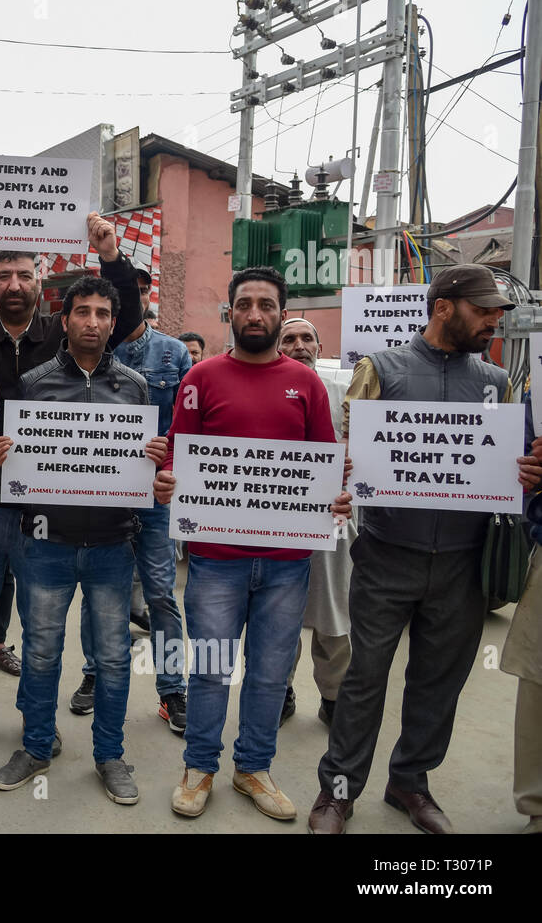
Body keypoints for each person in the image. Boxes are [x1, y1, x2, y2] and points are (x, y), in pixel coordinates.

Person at [310, 264, 541, 834]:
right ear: (444, 307)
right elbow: (346, 451)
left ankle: (410, 783)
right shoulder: (380, 368)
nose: (494, 320)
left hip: (465, 564)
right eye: (484, 309)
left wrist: (528, 472)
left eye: (498, 312)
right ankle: (338, 791)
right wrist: (339, 484)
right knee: (363, 679)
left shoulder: (496, 382)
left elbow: (503, 464)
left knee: (439, 682)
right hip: (386, 555)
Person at [0, 198, 143, 748]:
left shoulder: (63, 332)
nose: (14, 284)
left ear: (41, 282)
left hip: (51, 512)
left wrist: (110, 255)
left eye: (25, 274)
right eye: (4, 276)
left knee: (40, 626)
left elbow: (128, 319)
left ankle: (34, 721)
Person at [156, 265, 351, 822]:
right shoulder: (202, 378)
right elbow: (177, 451)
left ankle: (253, 769)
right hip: (217, 561)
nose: (256, 314)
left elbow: (326, 464)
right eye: (245, 304)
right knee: (212, 669)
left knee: (269, 673)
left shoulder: (307, 384)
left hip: (288, 563)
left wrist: (338, 495)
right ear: (232, 314)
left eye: (266, 304)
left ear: (279, 309)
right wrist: (167, 476)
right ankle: (199, 768)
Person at [0, 276, 168, 803]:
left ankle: (110, 756)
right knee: (42, 653)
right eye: (82, 311)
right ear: (64, 319)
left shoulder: (136, 386)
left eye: (102, 314)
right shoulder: (35, 382)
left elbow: (143, 471)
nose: (92, 321)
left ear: (114, 323)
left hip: (113, 545)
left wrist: (153, 463)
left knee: (113, 659)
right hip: (45, 544)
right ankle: (37, 745)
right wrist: (4, 457)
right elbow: (15, 463)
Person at [108, 266, 191, 734]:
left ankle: (172, 691)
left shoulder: (175, 353)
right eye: (127, 291)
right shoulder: (95, 349)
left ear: (148, 295)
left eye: (141, 290)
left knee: (160, 594)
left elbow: (192, 425)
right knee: (104, 594)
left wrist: (169, 459)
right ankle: (94, 674)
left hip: (157, 498)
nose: (133, 298)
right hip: (105, 496)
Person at [277, 318, 353, 728]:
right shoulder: (264, 389)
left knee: (333, 616)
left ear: (320, 346)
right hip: (275, 523)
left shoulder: (344, 391)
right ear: (278, 345)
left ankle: (334, 696)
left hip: (334, 523)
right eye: (290, 338)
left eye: (308, 338)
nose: (300, 344)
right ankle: (279, 690)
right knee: (279, 616)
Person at [505, 389, 542, 833]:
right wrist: (529, 473)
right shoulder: (538, 395)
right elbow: (516, 469)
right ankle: (538, 806)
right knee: (537, 678)